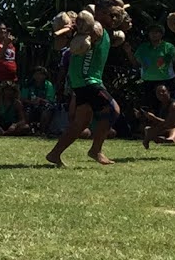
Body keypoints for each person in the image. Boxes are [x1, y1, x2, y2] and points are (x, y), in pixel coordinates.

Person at [46, 18, 121, 165]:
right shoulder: (95, 27)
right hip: (87, 80)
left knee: (81, 122)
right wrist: (72, 28)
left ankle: (54, 154)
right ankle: (95, 150)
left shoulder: (100, 30)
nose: (114, 19)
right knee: (113, 109)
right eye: (111, 15)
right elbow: (91, 30)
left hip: (82, 81)